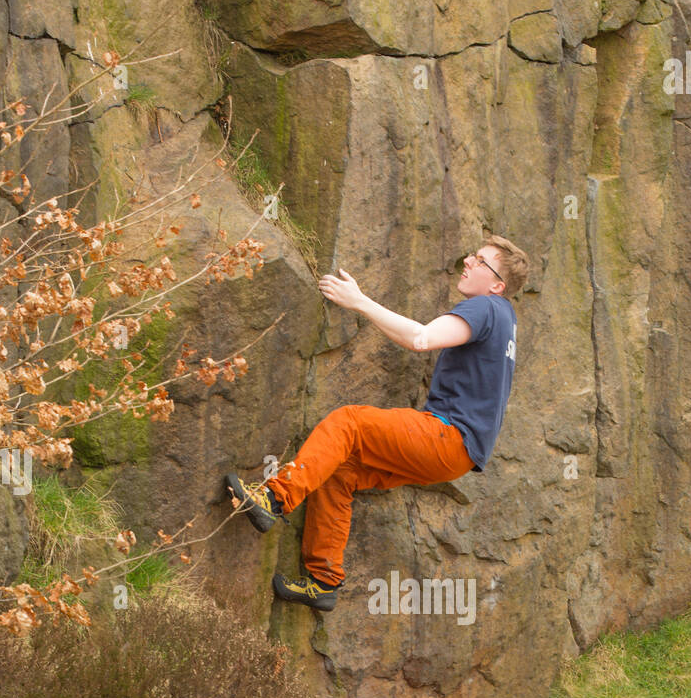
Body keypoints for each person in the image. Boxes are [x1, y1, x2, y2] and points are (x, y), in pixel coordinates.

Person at [225, 235, 529, 611]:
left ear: (498, 285)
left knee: (349, 423)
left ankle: (273, 497)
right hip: (456, 457)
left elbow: (421, 338)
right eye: (472, 255)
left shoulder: (487, 306)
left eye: (480, 261)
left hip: (447, 436)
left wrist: (359, 302)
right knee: (339, 469)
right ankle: (323, 580)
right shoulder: (506, 320)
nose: (467, 261)